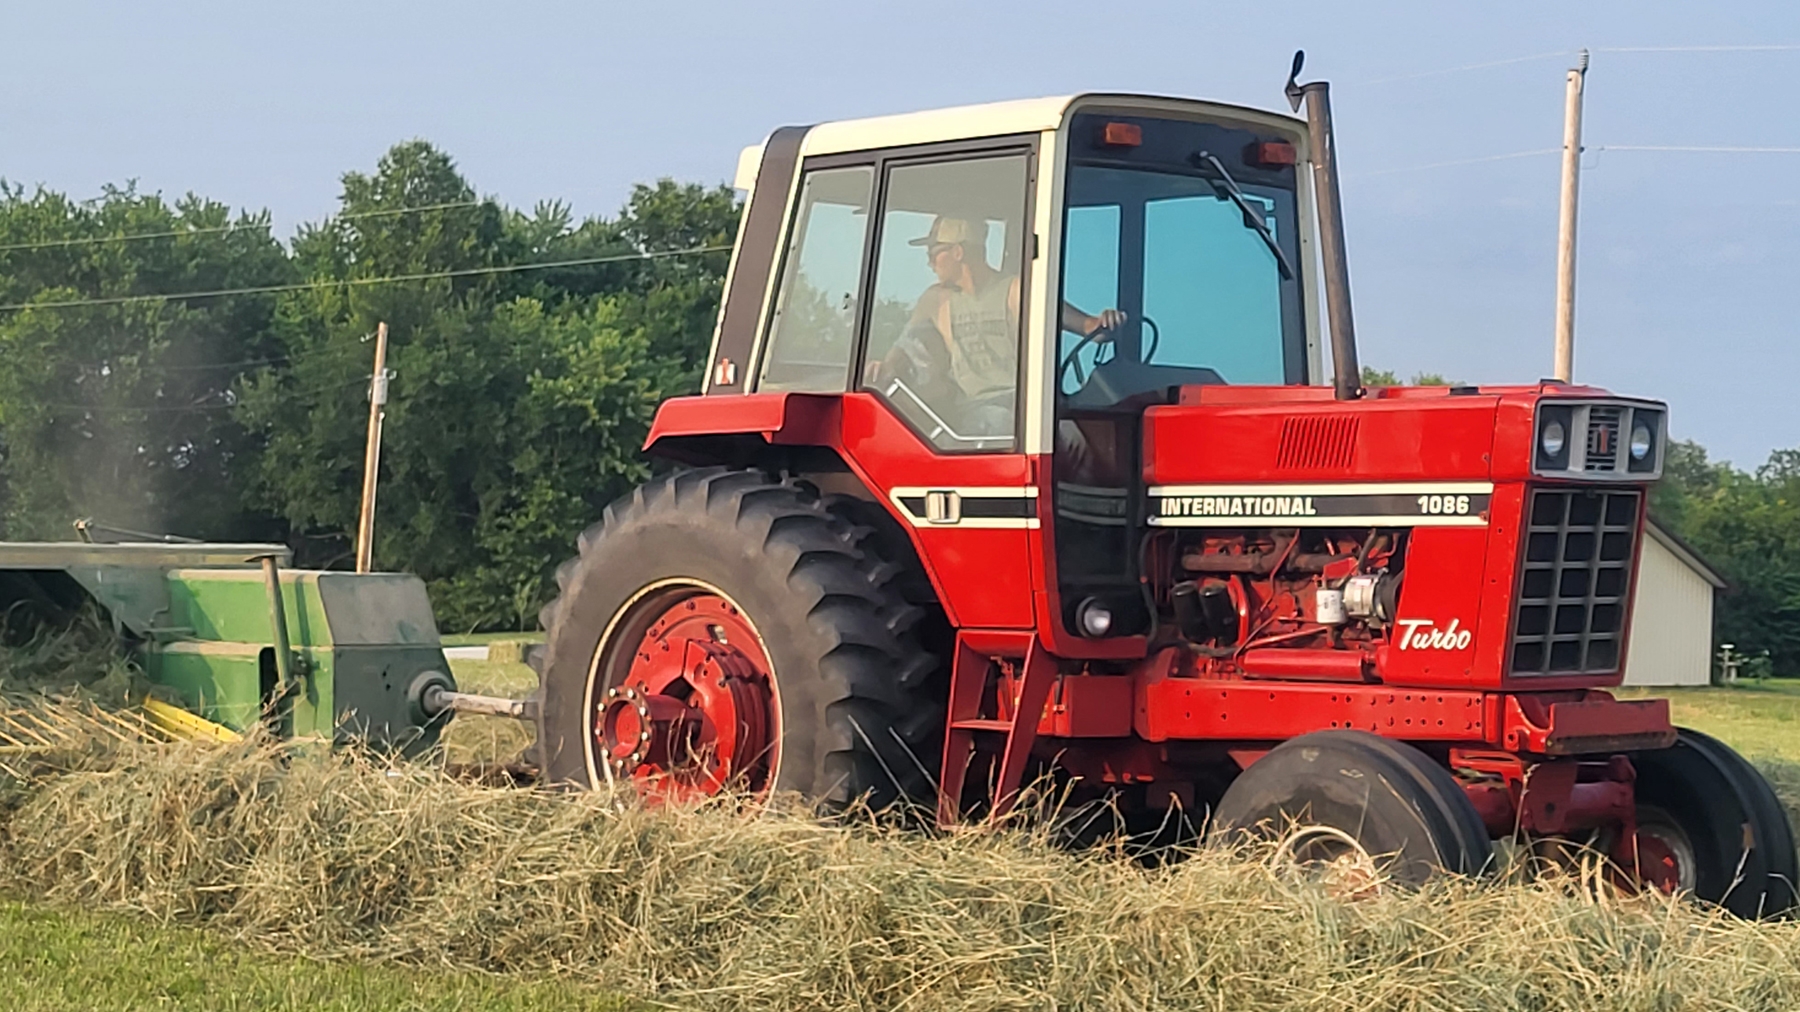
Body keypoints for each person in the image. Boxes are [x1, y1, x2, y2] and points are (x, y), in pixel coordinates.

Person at [864, 216, 1125, 455]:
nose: (929, 263)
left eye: (934, 253)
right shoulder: (935, 300)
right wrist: (886, 366)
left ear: (958, 252)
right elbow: (905, 345)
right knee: (996, 424)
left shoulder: (1015, 291)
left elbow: (1088, 327)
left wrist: (1105, 322)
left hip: (1025, 410)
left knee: (1077, 442)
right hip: (972, 413)